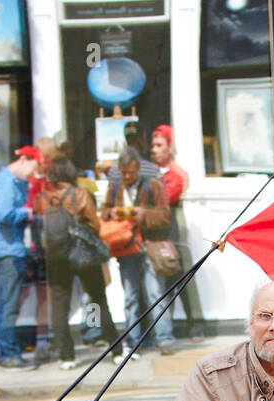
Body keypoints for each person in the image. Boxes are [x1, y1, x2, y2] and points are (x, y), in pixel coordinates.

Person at [36, 159, 119, 370]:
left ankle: (66, 356)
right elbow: (94, 223)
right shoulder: (79, 194)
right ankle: (116, 349)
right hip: (82, 255)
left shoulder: (43, 197)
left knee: (59, 306)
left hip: (55, 256)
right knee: (98, 298)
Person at [103, 147, 174, 357]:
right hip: (126, 246)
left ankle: (164, 340)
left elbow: (164, 216)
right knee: (130, 297)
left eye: (131, 172)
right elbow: (104, 211)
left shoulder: (152, 185)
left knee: (155, 295)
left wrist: (144, 214)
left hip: (150, 245)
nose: (127, 176)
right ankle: (133, 342)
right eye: (123, 172)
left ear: (138, 169)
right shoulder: (114, 186)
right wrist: (112, 212)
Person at [0, 145, 42, 370]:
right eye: (32, 169)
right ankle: (8, 354)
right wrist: (28, 213)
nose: (33, 176)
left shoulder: (5, 181)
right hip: (9, 250)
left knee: (7, 305)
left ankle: (7, 352)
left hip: (8, 249)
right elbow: (7, 214)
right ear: (24, 160)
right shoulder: (6, 182)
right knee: (9, 306)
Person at [150, 124, 209, 343]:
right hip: (158, 228)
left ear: (169, 146)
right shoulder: (153, 171)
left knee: (184, 277)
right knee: (163, 279)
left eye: (159, 145)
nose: (154, 150)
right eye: (153, 145)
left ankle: (196, 325)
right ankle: (164, 328)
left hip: (174, 227)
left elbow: (165, 198)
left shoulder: (175, 173)